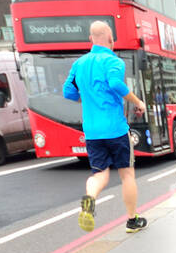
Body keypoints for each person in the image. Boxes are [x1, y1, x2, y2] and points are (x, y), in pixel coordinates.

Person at [63, 20, 148, 232]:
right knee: (126, 173)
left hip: (92, 131)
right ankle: (132, 219)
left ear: (90, 39)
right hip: (116, 129)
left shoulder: (79, 64)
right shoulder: (114, 62)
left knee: (99, 174)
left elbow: (68, 92)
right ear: (111, 40)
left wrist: (89, 98)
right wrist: (138, 102)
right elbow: (115, 84)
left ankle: (89, 200)